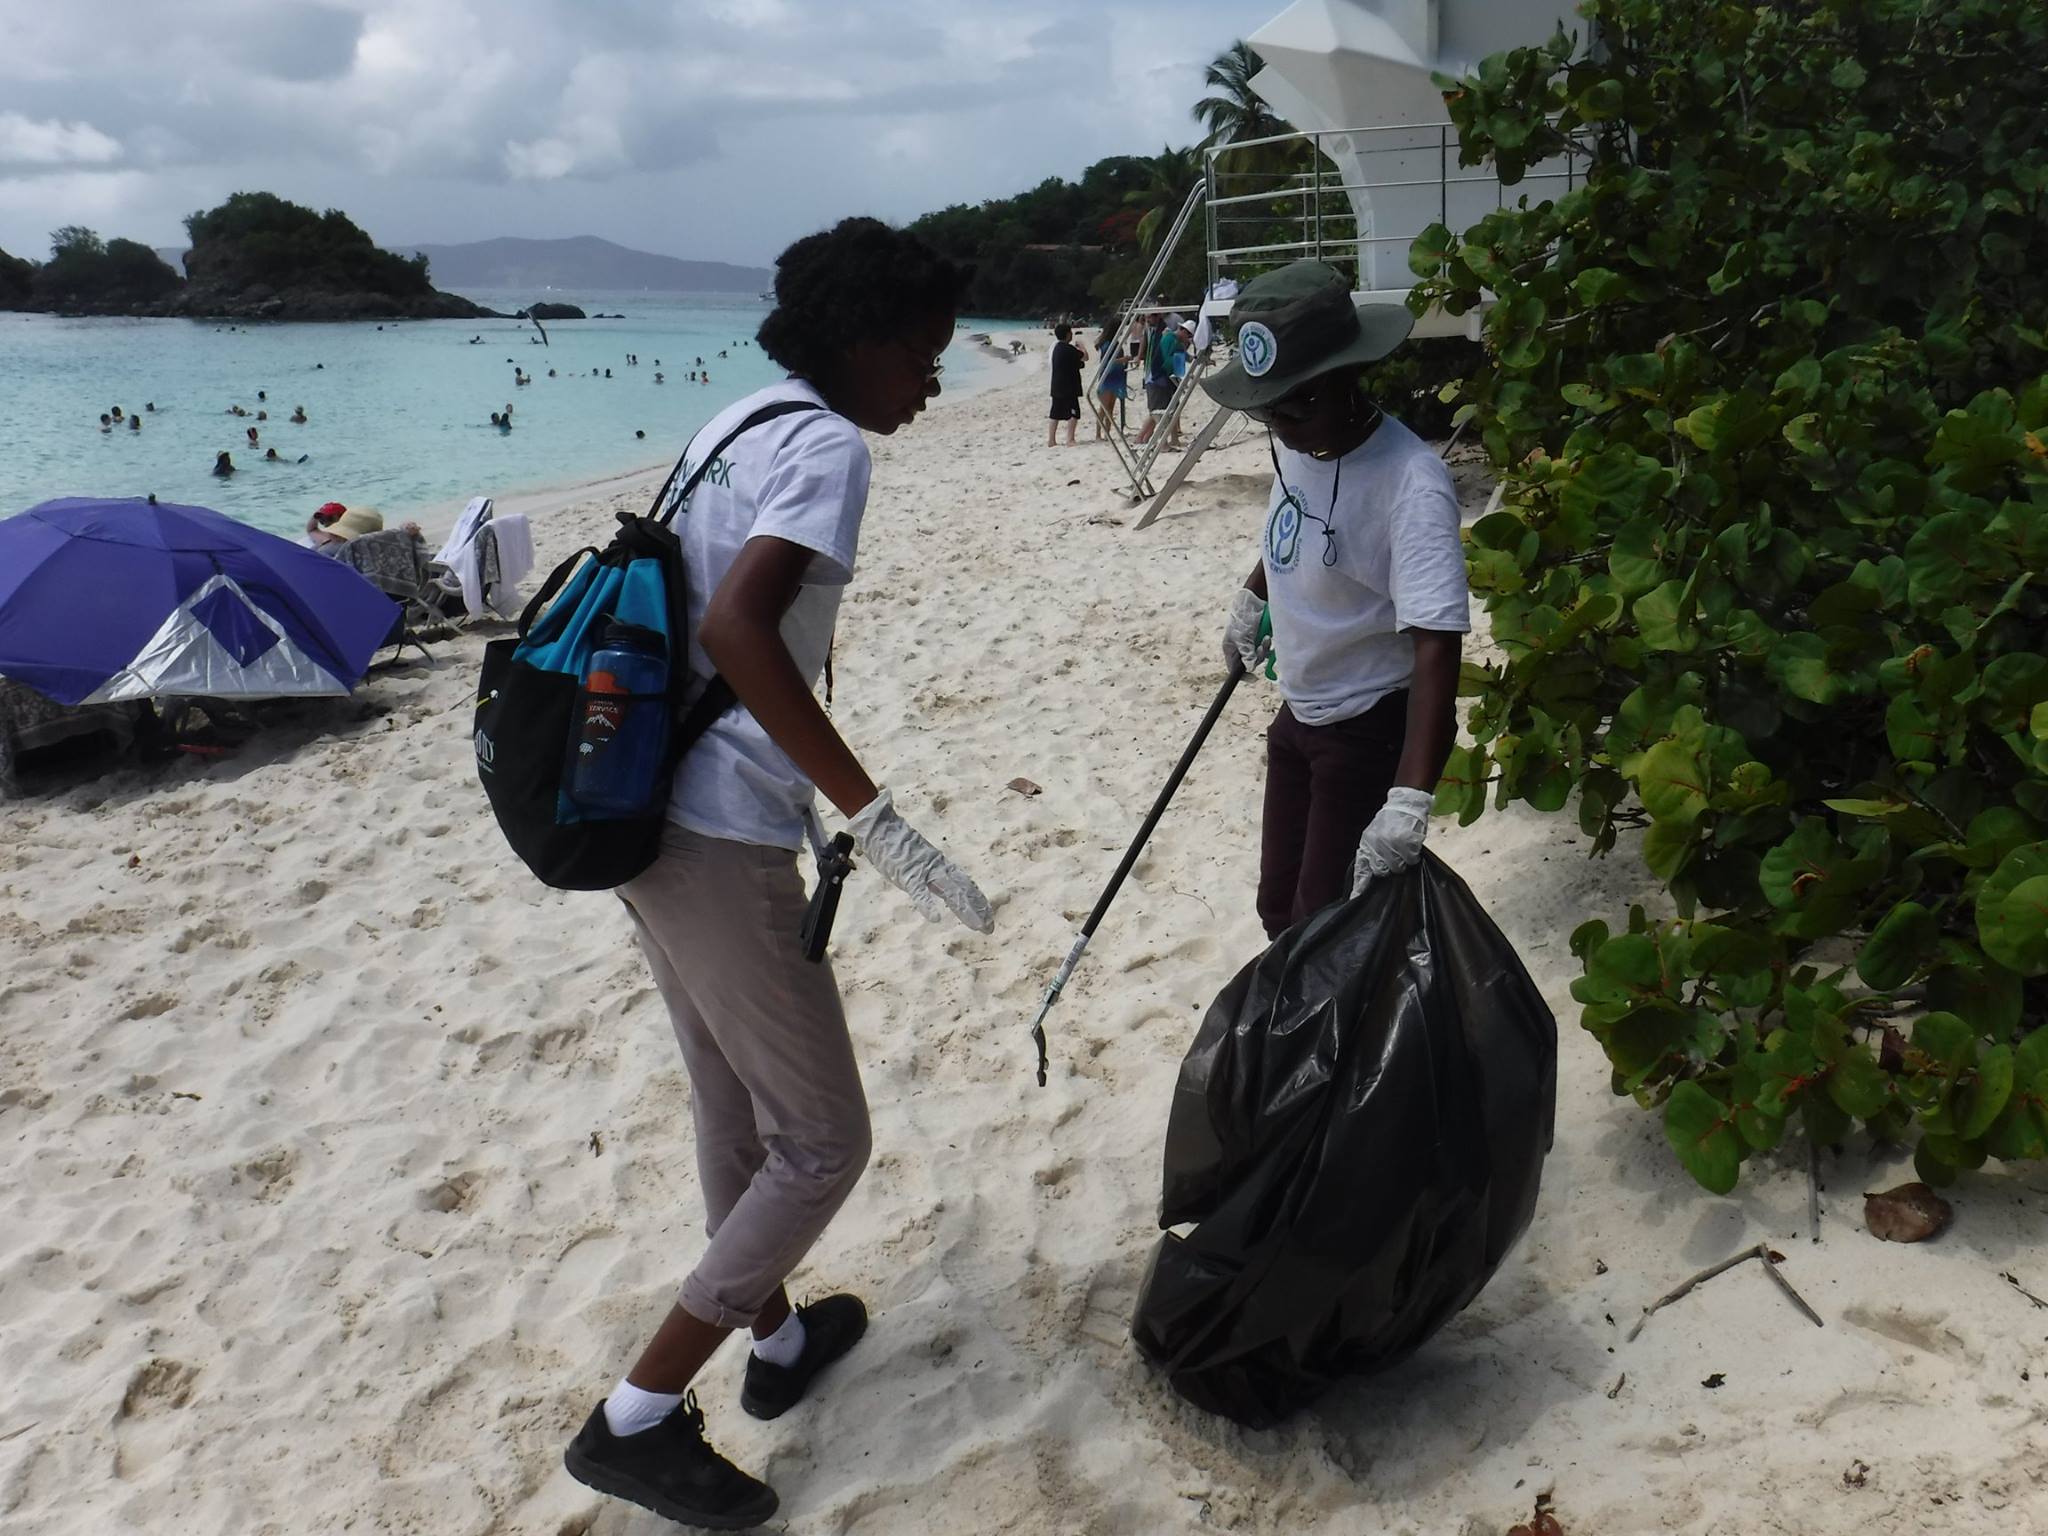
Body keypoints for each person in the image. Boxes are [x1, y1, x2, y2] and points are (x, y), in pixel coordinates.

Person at [560, 216, 991, 1531]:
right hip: (719, 830)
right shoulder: (826, 446)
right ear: (861, 345)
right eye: (920, 354)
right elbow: (736, 625)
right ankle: (635, 1418)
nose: (930, 378)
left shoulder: (741, 421)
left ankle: (780, 1343)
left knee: (732, 1111)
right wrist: (878, 815)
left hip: (637, 806)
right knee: (823, 1142)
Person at [1207, 261, 1469, 940]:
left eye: (1296, 406)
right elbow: (1290, 524)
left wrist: (1410, 800)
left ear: (1348, 378)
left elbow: (1438, 645)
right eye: (1267, 412)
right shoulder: (1303, 442)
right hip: (1299, 712)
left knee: (1325, 925)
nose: (1284, 427)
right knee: (1278, 909)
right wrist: (1251, 594)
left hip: (1363, 727)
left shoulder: (1410, 483)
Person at [1133, 314, 1178, 447]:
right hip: (1155, 375)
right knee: (1158, 409)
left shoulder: (1162, 332)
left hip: (1157, 374)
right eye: (1146, 318)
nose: (1147, 320)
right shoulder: (1152, 331)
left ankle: (1146, 437)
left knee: (1163, 408)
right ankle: (1143, 437)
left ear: (1157, 317)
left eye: (1149, 317)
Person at [1046, 323, 1085, 447]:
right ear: (1068, 334)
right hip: (1069, 387)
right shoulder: (1069, 349)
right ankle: (1070, 439)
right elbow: (1085, 357)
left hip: (1056, 384)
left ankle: (1051, 439)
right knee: (1074, 412)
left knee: (1055, 412)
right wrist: (1082, 347)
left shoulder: (1056, 348)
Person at [1092, 325, 1126, 439]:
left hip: (1114, 376)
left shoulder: (1111, 343)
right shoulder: (1108, 344)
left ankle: (1106, 433)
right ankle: (1098, 434)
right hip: (1108, 377)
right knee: (1105, 407)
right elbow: (1106, 362)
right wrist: (1123, 359)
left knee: (1109, 407)